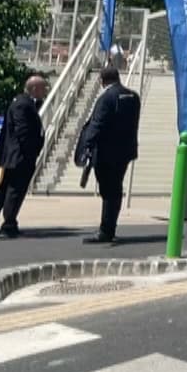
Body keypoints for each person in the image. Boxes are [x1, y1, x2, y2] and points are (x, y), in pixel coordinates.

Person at [75, 67, 142, 245]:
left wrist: (86, 147)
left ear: (101, 80)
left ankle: (106, 230)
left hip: (106, 153)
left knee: (108, 192)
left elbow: (97, 124)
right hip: (125, 151)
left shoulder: (106, 98)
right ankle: (109, 227)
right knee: (116, 189)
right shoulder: (133, 97)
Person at [0, 75, 49, 238]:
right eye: (43, 88)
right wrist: (30, 151)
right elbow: (22, 130)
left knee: (4, 191)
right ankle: (8, 224)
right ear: (34, 89)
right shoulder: (22, 105)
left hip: (16, 155)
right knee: (14, 191)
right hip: (19, 156)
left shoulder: (25, 103)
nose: (45, 91)